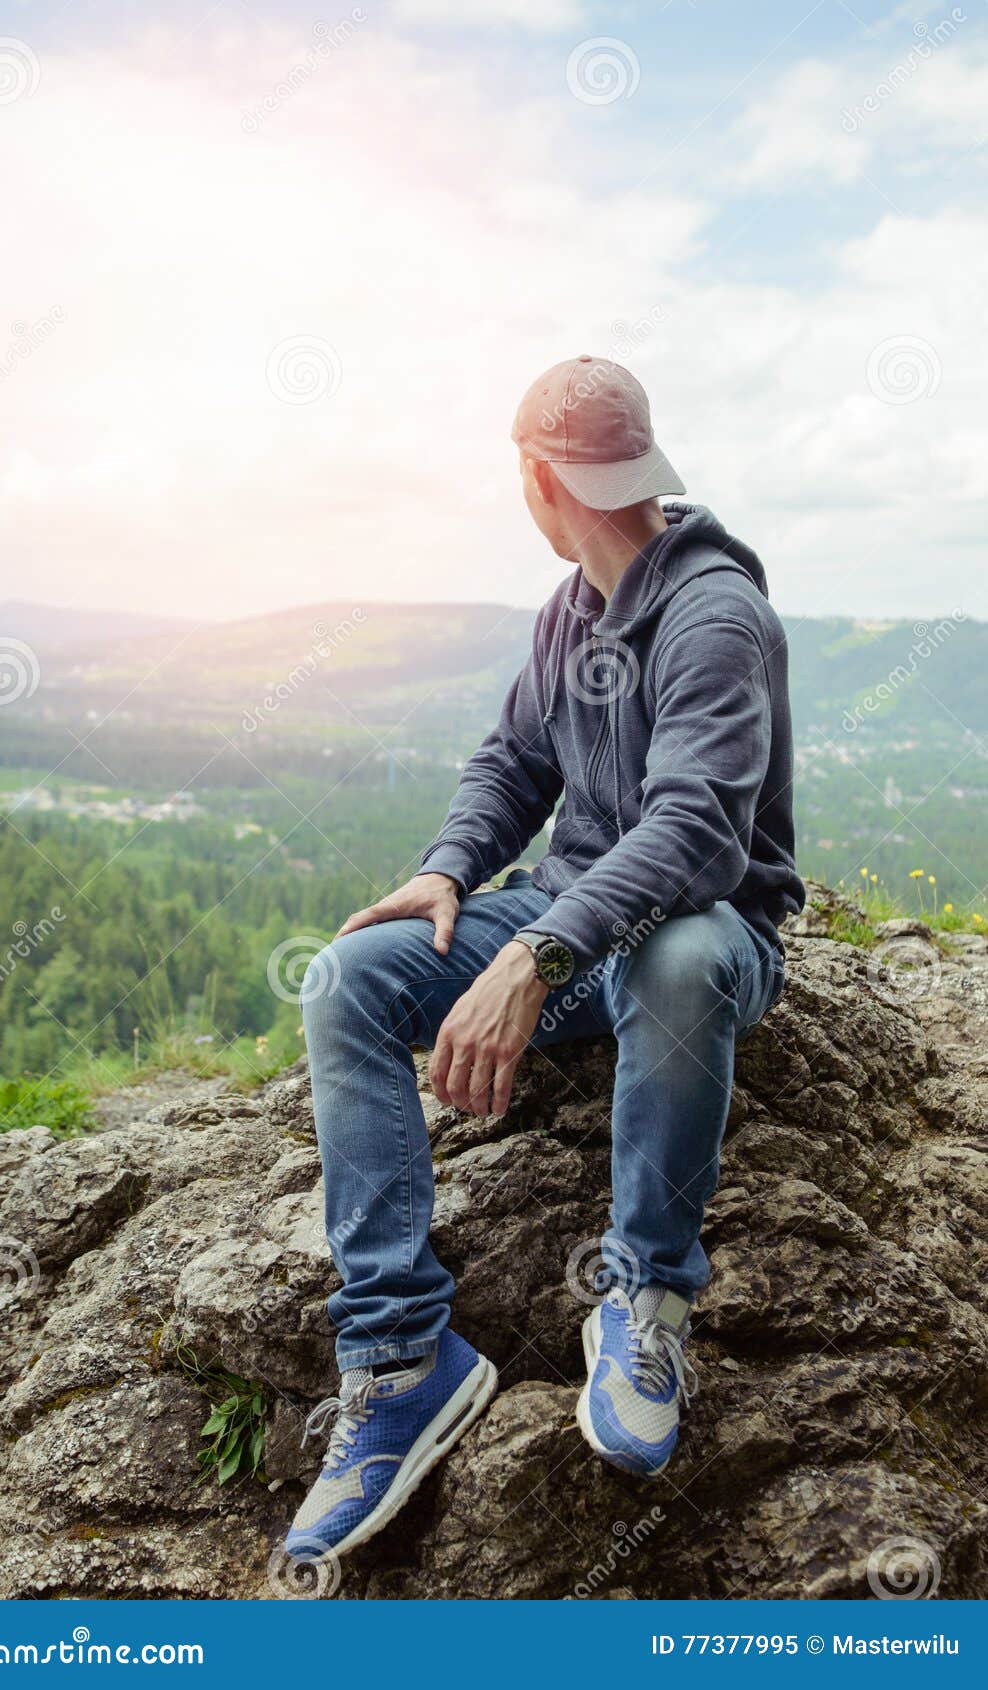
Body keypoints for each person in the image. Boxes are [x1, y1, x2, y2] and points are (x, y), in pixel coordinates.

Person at [284, 356, 804, 1563]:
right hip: (564, 923)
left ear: (536, 477)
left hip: (703, 930)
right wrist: (450, 870)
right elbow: (513, 763)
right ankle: (401, 1355)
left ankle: (646, 1295)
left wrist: (532, 952)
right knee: (348, 977)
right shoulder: (572, 606)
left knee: (677, 961)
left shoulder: (718, 616)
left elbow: (692, 836)